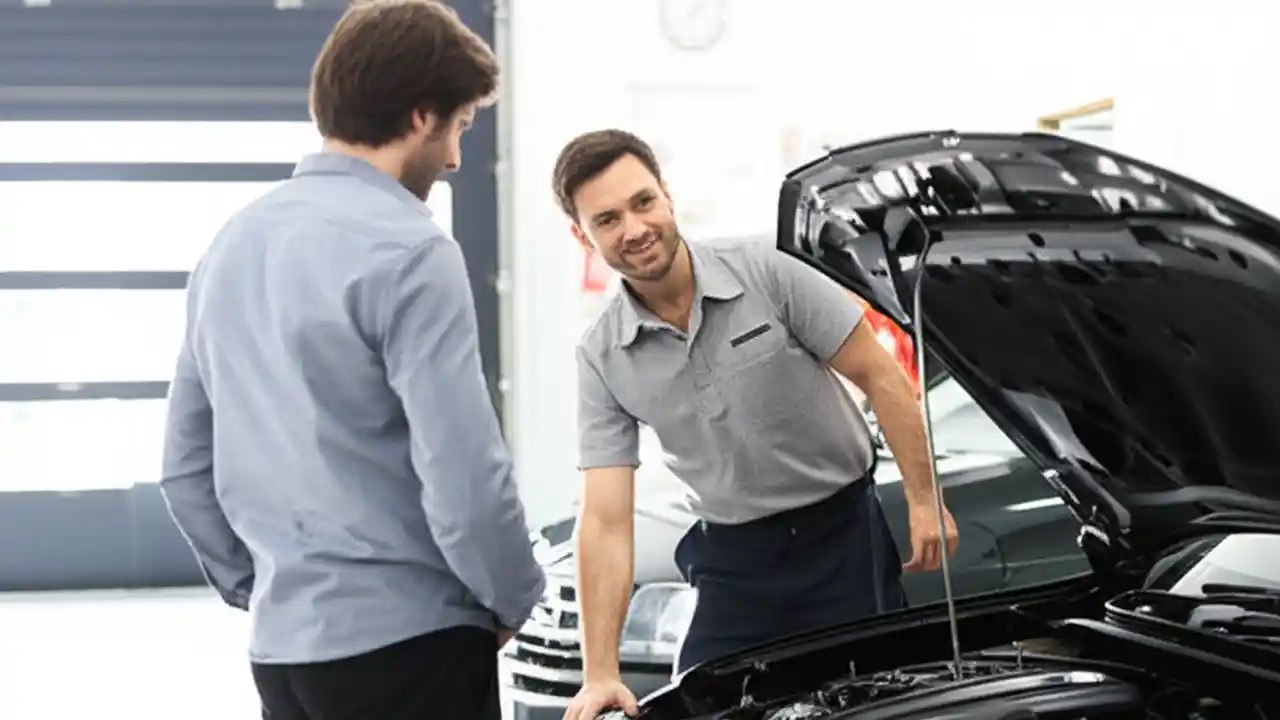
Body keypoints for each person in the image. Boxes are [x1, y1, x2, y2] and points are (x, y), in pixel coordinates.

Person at [158, 2, 544, 718]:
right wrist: (515, 596)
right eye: (460, 127)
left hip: (283, 657)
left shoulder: (232, 245)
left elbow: (183, 470)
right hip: (412, 645)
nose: (458, 156)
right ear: (422, 117)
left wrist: (266, 590)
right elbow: (463, 475)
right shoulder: (412, 251)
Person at [552, 129, 959, 720]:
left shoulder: (769, 268)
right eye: (608, 219)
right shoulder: (601, 355)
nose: (635, 229)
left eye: (643, 202)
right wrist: (600, 674)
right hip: (732, 565)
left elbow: (882, 376)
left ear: (666, 195)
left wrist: (925, 500)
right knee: (700, 707)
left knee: (869, 708)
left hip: (841, 541)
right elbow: (607, 520)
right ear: (582, 236)